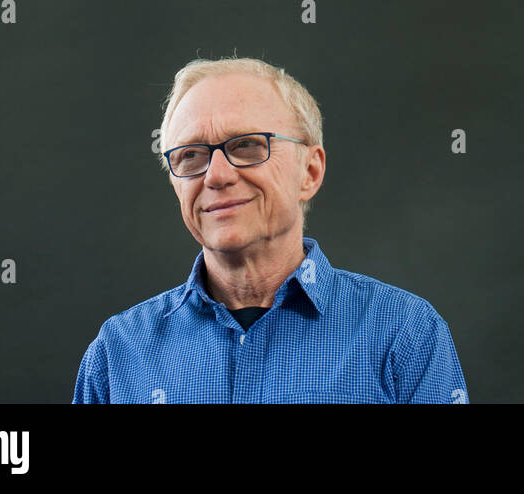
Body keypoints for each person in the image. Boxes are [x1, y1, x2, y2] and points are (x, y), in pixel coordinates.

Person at [73, 56, 469, 403]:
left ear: (309, 173)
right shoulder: (119, 353)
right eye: (191, 155)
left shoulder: (404, 334)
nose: (217, 175)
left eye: (246, 146)